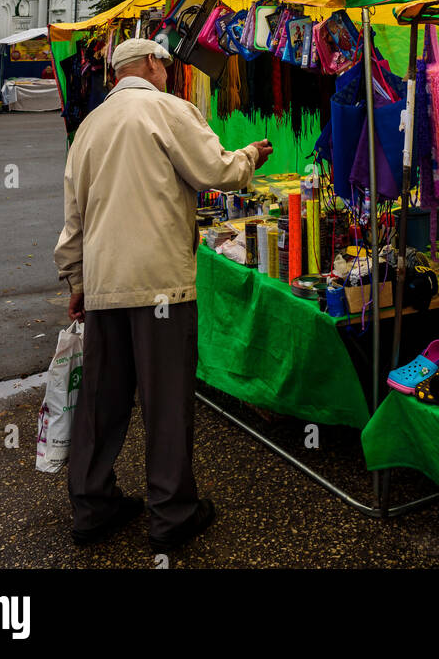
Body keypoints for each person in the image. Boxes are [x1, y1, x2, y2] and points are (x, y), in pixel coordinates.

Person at [54, 36, 273, 552]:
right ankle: (171, 514)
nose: (171, 73)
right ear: (152, 63)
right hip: (161, 289)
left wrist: (77, 280)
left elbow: (73, 217)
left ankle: (91, 506)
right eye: (167, 65)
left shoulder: (88, 126)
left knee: (100, 403)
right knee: (166, 401)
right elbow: (216, 171)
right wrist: (250, 155)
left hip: (106, 284)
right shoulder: (168, 108)